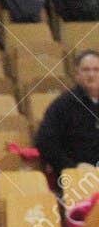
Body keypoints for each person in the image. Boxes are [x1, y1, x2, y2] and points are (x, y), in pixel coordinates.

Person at [35, 51, 99, 184]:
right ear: (77, 74)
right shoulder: (62, 105)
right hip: (76, 178)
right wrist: (72, 168)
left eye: (96, 70)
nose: (91, 74)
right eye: (86, 70)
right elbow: (45, 142)